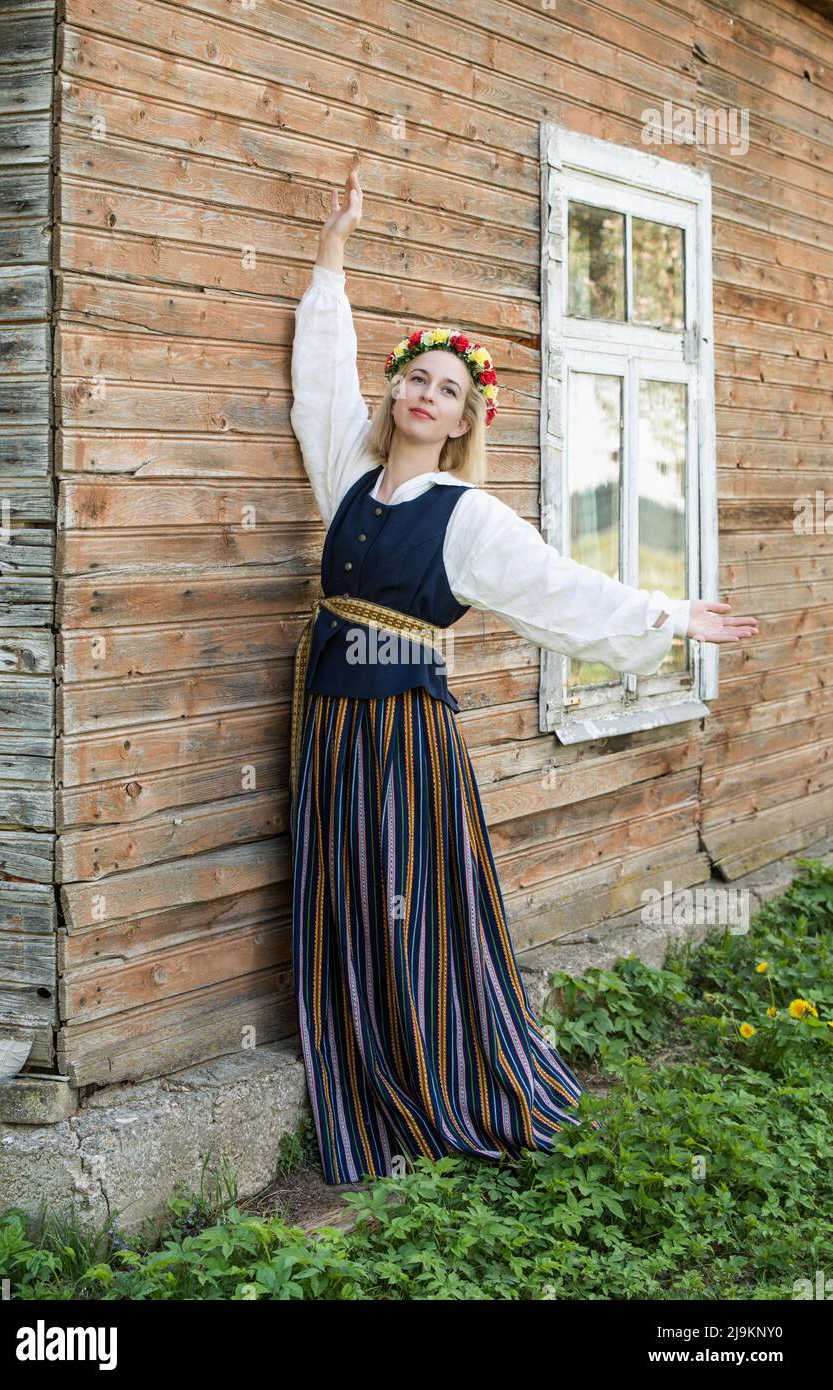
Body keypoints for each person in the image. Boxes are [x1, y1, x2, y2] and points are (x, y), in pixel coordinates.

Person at [288, 167, 760, 1187]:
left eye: (447, 390)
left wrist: (674, 615)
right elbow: (319, 378)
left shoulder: (469, 517)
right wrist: (333, 250)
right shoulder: (347, 476)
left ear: (465, 419)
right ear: (398, 393)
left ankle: (439, 1068)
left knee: (411, 898)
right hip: (332, 731)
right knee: (353, 898)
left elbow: (561, 591)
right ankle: (365, 1055)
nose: (426, 395)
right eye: (416, 378)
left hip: (405, 741)